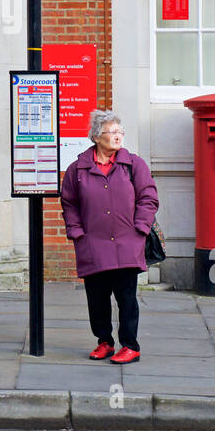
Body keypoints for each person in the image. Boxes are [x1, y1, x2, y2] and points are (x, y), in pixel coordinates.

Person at [60, 110, 159, 364]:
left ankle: (130, 345)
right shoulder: (77, 169)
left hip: (127, 242)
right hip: (93, 243)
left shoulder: (133, 165)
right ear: (96, 136)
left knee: (127, 298)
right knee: (97, 298)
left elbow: (148, 198)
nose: (118, 136)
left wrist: (141, 228)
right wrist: (76, 232)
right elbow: (69, 203)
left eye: (120, 132)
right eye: (112, 132)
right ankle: (104, 342)